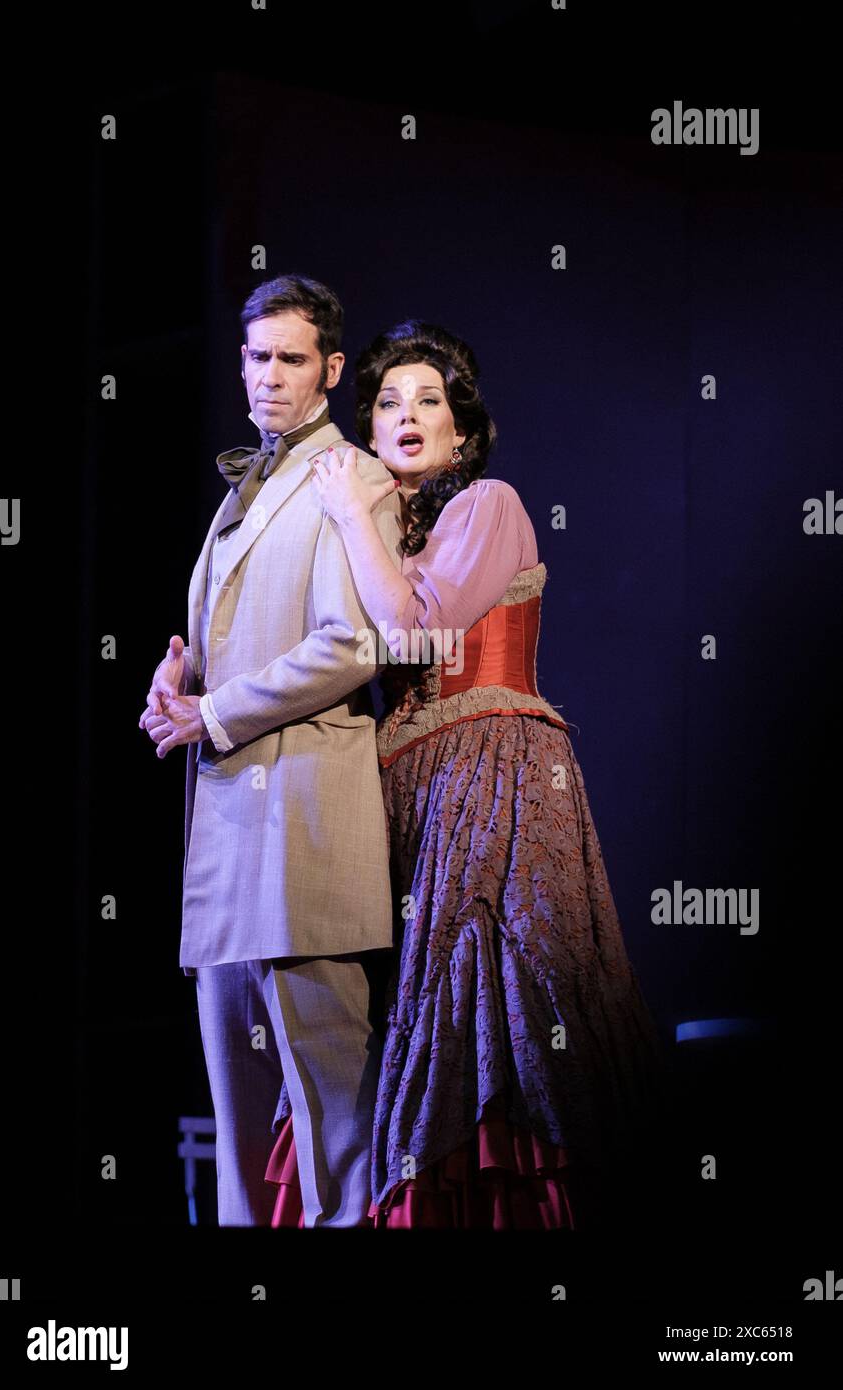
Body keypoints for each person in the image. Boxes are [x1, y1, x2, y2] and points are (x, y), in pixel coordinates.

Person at [262, 320, 673, 1229]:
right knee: (383, 1021)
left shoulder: (488, 503)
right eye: (387, 403)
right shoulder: (374, 529)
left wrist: (340, 514)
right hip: (395, 794)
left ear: (462, 428)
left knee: (491, 995)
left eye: (429, 401)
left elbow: (416, 634)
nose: (407, 416)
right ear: (366, 431)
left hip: (492, 774)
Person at [138, 275, 404, 1227]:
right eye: (257, 357)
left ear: (331, 370)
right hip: (225, 839)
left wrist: (211, 716)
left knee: (333, 1134)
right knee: (239, 1148)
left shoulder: (352, 477)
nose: (269, 377)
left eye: (292, 359)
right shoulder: (245, 486)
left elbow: (352, 643)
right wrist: (179, 683)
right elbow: (224, 647)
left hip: (300, 831)